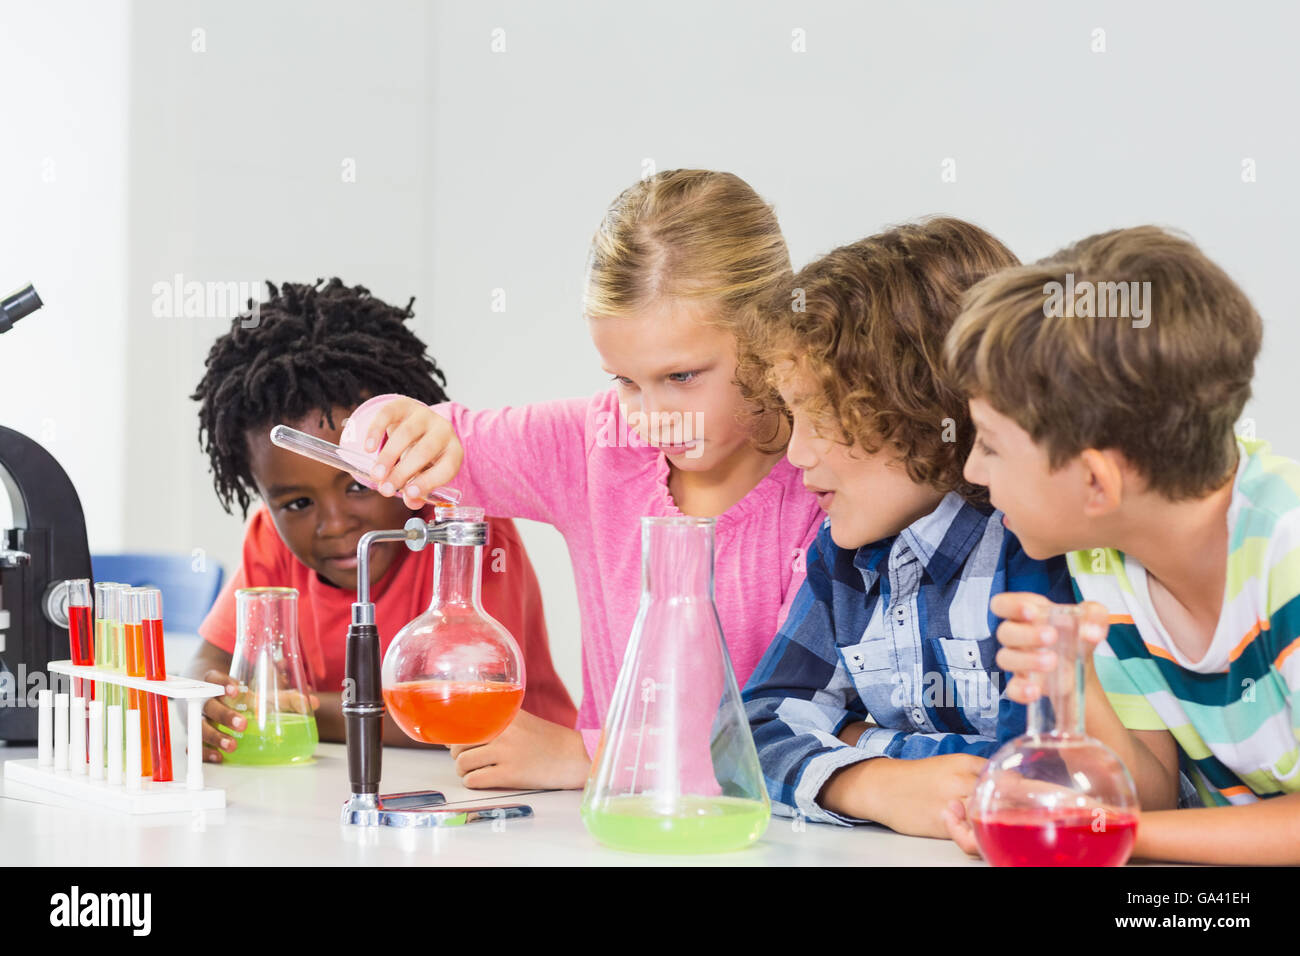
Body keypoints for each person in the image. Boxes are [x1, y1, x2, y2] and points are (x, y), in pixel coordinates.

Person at [345, 170, 825, 789]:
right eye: (625, 380)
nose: (652, 418)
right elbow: (388, 438)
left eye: (682, 377)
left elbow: (788, 739)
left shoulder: (822, 479)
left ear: (769, 337)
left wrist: (585, 756)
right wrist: (397, 429)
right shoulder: (599, 444)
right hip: (605, 834)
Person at [941, 225, 1300, 864]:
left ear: (1095, 482)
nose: (971, 470)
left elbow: (1137, 825)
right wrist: (1074, 684)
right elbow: (1151, 792)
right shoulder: (1104, 559)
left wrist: (1105, 831)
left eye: (991, 444)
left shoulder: (1286, 555)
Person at [740, 218, 1074, 837]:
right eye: (792, 414)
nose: (796, 454)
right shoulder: (842, 557)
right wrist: (869, 783)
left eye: (822, 414)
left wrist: (858, 735)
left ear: (925, 405)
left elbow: (1048, 776)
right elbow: (752, 728)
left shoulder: (1041, 550)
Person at [186, 278, 575, 762]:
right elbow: (206, 664)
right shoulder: (270, 540)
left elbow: (458, 713)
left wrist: (299, 712)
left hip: (524, 793)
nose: (334, 525)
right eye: (298, 504)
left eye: (358, 485)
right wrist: (207, 705)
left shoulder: (466, 529)